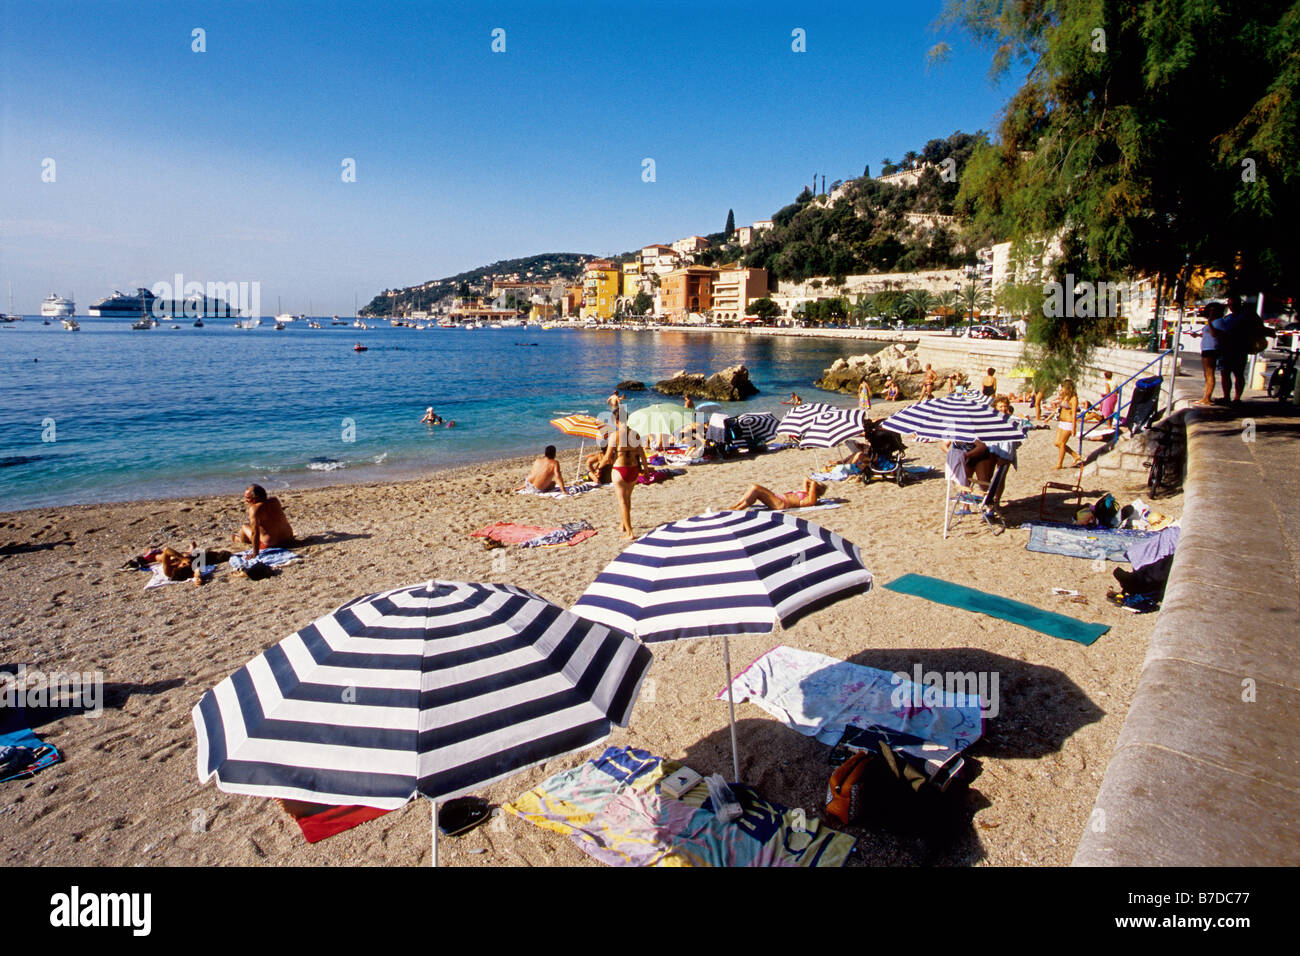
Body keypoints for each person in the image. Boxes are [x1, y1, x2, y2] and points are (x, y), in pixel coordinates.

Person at [598, 424, 648, 540]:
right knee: (627, 499)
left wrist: (599, 468)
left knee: (622, 502)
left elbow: (607, 457)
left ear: (616, 421)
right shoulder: (635, 434)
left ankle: (630, 532)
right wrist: (646, 470)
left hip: (620, 469)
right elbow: (642, 454)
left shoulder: (614, 435)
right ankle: (623, 525)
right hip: (634, 468)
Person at [233, 484, 295, 557]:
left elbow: (254, 532)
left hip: (271, 544)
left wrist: (255, 553)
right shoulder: (275, 500)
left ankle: (237, 539)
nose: (246, 500)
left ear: (256, 498)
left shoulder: (254, 509)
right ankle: (239, 538)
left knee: (244, 527)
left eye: (248, 498)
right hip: (288, 539)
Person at [1218, 299, 1253, 404]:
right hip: (1225, 349)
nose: (1231, 307)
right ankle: (1226, 396)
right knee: (1224, 373)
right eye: (1230, 305)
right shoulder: (1228, 318)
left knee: (1238, 373)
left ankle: (1237, 398)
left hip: (1239, 349)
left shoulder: (1245, 317)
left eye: (1233, 304)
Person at [1191, 302, 1226, 407]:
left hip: (1212, 349)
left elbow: (1214, 334)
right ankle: (1205, 396)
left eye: (1212, 310)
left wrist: (1210, 322)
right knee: (1206, 374)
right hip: (1206, 348)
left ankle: (1207, 398)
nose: (1210, 312)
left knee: (1210, 373)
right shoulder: (1213, 321)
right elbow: (1208, 334)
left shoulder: (1219, 322)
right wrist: (1197, 335)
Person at [729, 478, 827, 511]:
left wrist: (815, 483)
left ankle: (738, 509)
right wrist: (814, 482)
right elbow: (806, 479)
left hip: (781, 504)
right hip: (777, 498)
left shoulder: (811, 500)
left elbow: (812, 483)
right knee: (753, 487)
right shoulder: (806, 492)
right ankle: (738, 505)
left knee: (756, 488)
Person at [1053, 380, 1083, 469]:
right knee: (1056, 443)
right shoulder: (1065, 397)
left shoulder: (1074, 398)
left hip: (1068, 423)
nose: (1061, 389)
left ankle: (1059, 464)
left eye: (1063, 387)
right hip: (1062, 422)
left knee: (1061, 443)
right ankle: (1075, 455)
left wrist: (1074, 427)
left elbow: (1074, 413)